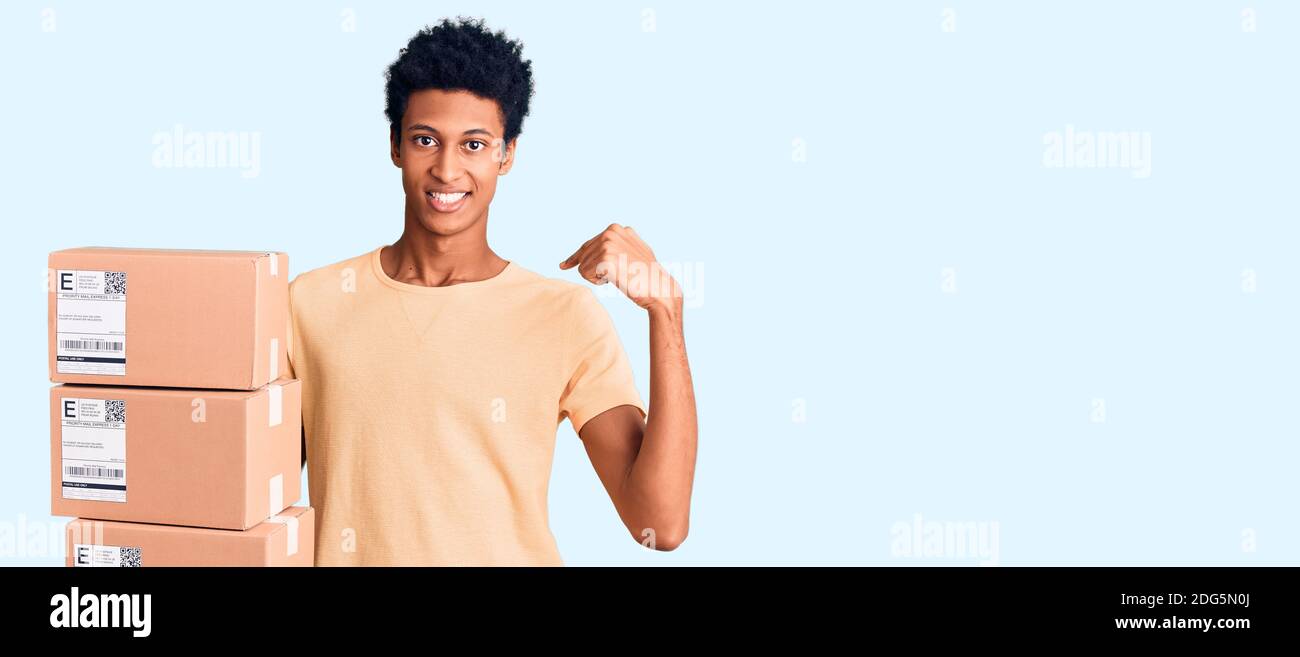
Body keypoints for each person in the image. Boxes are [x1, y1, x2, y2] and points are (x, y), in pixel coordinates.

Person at [286, 17, 698, 565]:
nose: (447, 169)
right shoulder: (310, 303)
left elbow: (660, 522)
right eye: (425, 140)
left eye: (474, 144)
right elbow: (241, 500)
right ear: (394, 146)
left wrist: (665, 311)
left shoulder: (563, 316)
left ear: (507, 156)